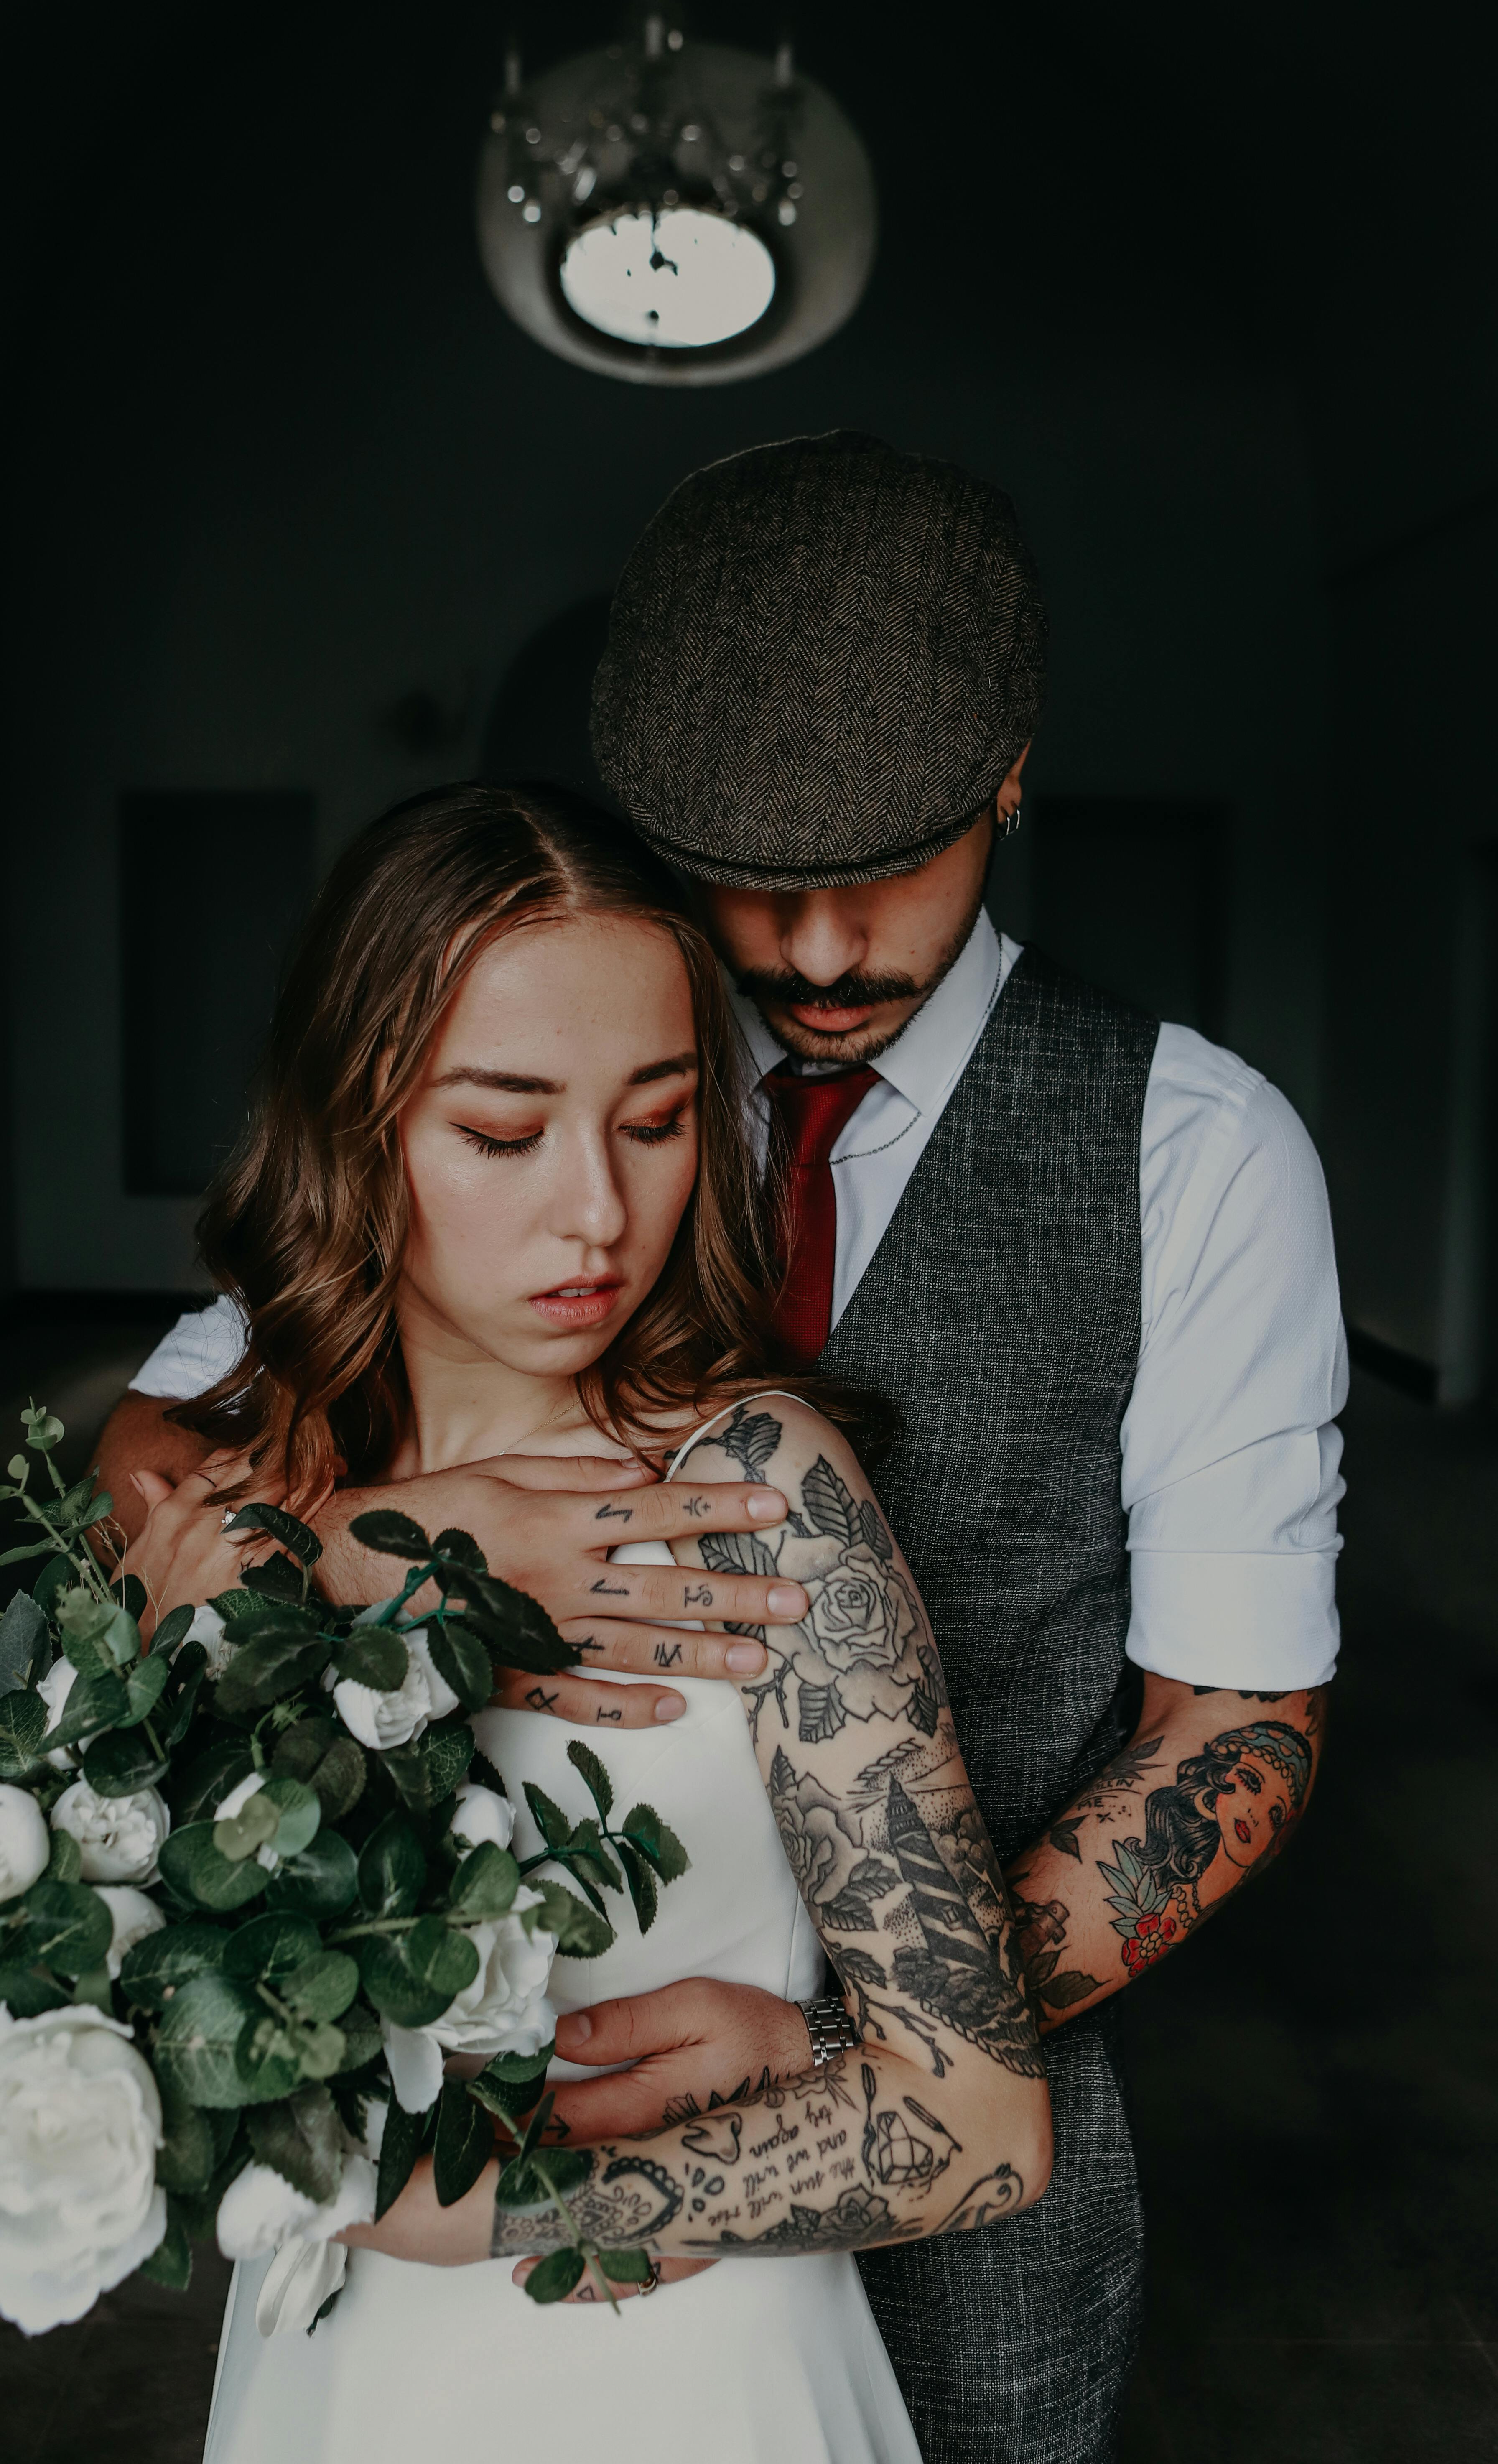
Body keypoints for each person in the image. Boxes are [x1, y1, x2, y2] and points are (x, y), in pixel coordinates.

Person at [104, 431, 1346, 2464]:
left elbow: (1242, 1729)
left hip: (913, 2233)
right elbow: (162, 1463)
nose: (825, 947)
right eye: (752, 880)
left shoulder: (1190, 1152)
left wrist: (862, 2033)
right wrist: (388, 1546)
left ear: (1009, 773)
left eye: (900, 860)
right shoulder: (535, 1037)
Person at [171, 780, 1049, 2464]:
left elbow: (980, 2125)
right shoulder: (250, 1497)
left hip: (691, 2379)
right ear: (355, 1123)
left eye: (652, 1121)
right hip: (332, 2379)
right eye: (505, 1132)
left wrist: (502, 2212)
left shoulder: (752, 1487)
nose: (596, 1211)